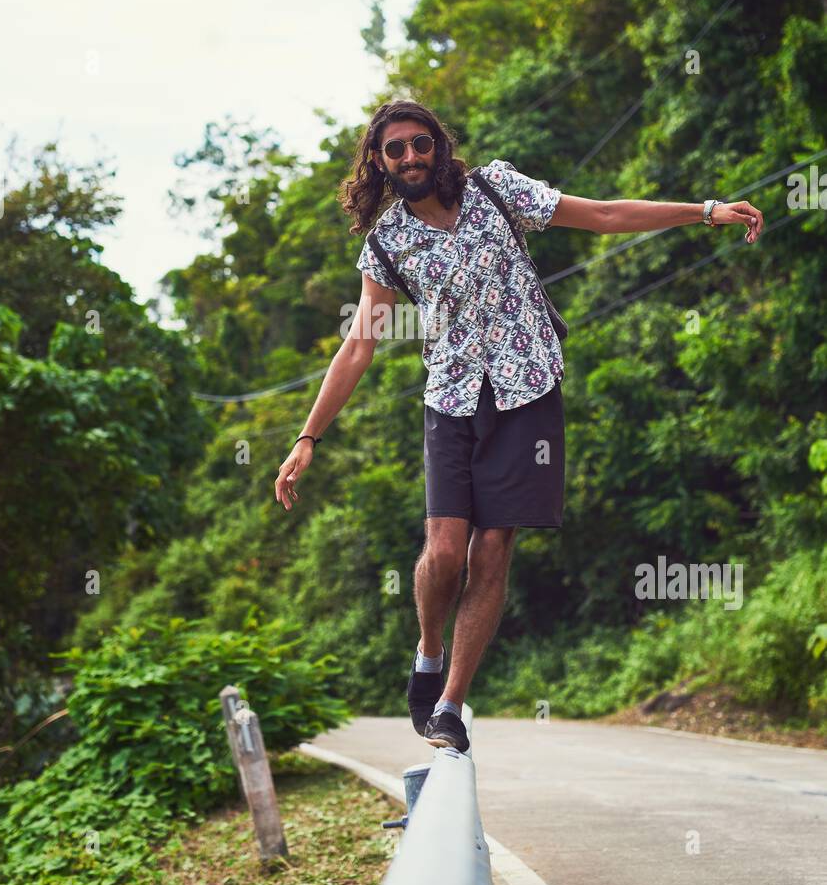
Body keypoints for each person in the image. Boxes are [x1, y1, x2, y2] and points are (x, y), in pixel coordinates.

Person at [274, 100, 764, 753]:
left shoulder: (495, 189)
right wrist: (308, 437)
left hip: (525, 390)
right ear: (379, 163)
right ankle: (427, 649)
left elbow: (603, 216)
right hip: (449, 399)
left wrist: (703, 211)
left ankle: (449, 703)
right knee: (444, 552)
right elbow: (359, 343)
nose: (411, 157)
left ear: (437, 146)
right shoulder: (385, 243)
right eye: (395, 150)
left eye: (420, 143)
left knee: (492, 547)